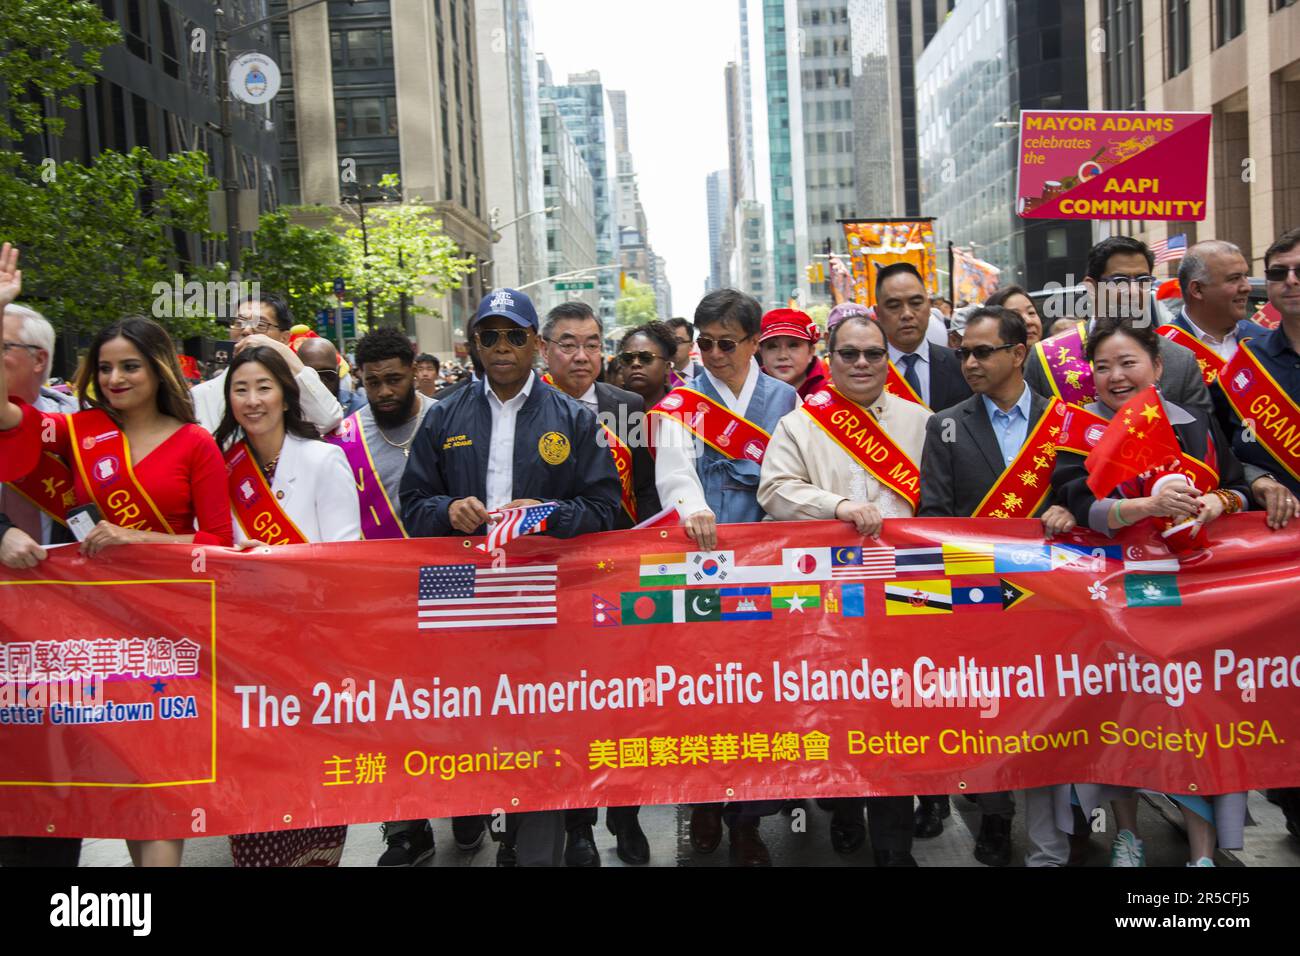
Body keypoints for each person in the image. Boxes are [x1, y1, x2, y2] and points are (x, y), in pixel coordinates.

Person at [0, 247, 233, 868]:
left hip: (175, 632)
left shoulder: (194, 444)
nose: (115, 379)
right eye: (104, 369)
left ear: (158, 370)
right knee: (124, 778)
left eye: (130, 366)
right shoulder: (79, 432)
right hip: (99, 631)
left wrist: (140, 540)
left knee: (160, 782)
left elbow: (221, 545)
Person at [400, 287, 620, 868]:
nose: (502, 347)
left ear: (535, 346)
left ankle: (536, 843)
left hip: (540, 599)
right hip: (460, 602)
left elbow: (605, 511)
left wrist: (545, 516)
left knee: (543, 726)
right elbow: (414, 503)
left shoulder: (573, 418)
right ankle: (485, 817)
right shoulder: (442, 414)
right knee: (474, 724)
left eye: (514, 336)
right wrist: (448, 512)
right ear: (475, 344)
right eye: (490, 336)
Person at [1052, 320, 1251, 867]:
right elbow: (1074, 503)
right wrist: (1142, 509)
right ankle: (1127, 835)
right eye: (1103, 366)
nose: (1115, 376)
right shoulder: (1081, 431)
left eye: (1128, 362)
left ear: (1157, 367)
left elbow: (1233, 485)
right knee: (1125, 716)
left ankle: (1203, 851)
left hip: (1193, 599)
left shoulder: (1193, 424)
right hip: (1115, 599)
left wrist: (1216, 504)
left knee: (1194, 718)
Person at [756, 312, 929, 867]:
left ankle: (893, 843)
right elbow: (776, 491)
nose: (861, 364)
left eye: (873, 354)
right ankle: (847, 809)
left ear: (887, 359)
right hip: (829, 598)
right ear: (829, 360)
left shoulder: (921, 421)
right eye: (849, 354)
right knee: (841, 711)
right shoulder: (801, 424)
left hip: (908, 594)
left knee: (901, 715)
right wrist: (838, 509)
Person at [916, 305, 1076, 866]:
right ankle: (993, 815)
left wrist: (1064, 511)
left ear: (1018, 353)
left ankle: (1051, 841)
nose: (970, 362)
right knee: (988, 717)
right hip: (982, 597)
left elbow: (1085, 493)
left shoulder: (1067, 421)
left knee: (1049, 717)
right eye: (963, 352)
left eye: (983, 352)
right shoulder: (946, 423)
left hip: (1060, 600)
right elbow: (934, 515)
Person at [649, 289, 798, 866]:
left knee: (761, 694)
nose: (713, 354)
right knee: (705, 692)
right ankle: (707, 802)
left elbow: (796, 472)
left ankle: (749, 819)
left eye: (726, 343)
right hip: (701, 567)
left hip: (769, 566)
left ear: (755, 342)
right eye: (704, 343)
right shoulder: (682, 400)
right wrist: (692, 508)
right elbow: (675, 471)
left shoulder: (786, 398)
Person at [213, 346, 359, 864]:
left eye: (264, 388)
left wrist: (274, 560)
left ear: (285, 394)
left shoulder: (324, 458)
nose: (253, 401)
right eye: (240, 389)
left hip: (313, 657)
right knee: (254, 806)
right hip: (243, 662)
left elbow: (346, 560)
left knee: (317, 799)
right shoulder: (221, 467)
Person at [318, 328, 447, 866]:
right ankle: (405, 826)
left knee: (453, 705)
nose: (384, 392)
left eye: (394, 379)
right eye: (372, 383)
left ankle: (469, 802)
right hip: (380, 595)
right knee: (395, 712)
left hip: (447, 583)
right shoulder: (342, 438)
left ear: (415, 369)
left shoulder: (448, 418)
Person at [538, 301, 660, 867]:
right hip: (559, 578)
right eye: (568, 344)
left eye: (591, 343)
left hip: (620, 577)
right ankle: (579, 824)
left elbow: (647, 489)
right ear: (546, 350)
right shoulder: (531, 408)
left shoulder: (626, 406)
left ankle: (627, 815)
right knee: (570, 708)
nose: (582, 355)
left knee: (625, 703)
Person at [0, 296, 83, 868]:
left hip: (58, 633)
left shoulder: (69, 427)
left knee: (59, 775)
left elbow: (90, 510)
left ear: (37, 359)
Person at [1235, 228, 1300, 837]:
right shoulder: (1249, 362)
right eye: (1278, 272)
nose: (1289, 281)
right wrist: (1256, 480)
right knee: (1284, 680)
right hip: (1279, 555)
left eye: (1297, 270)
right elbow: (1230, 451)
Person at [1025, 236, 1212, 420]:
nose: (1132, 291)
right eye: (1119, 281)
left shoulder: (1180, 360)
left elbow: (1202, 441)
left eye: (1142, 280)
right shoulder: (1047, 358)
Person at [1161, 241, 1270, 445]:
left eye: (1245, 276)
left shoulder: (1264, 339)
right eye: (1234, 279)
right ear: (1197, 290)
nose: (1246, 287)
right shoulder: (1160, 351)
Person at [190, 292, 344, 435]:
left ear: (284, 337)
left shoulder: (294, 391)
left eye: (260, 325)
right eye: (239, 322)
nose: (246, 331)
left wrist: (283, 351)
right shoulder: (200, 396)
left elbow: (328, 419)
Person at [873, 262, 973, 412]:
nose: (907, 314)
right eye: (894, 305)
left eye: (915, 303)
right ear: (878, 312)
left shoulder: (961, 365)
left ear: (929, 306)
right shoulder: (865, 372)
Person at [758, 307, 828, 399]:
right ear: (761, 352)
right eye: (772, 346)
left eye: (793, 345)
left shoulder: (831, 395)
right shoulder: (744, 393)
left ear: (811, 352)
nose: (782, 356)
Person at [617, 320, 677, 413]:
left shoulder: (686, 411)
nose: (635, 363)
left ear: (667, 368)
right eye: (627, 358)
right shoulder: (608, 413)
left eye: (645, 357)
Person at [297, 336, 367, 417]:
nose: (320, 382)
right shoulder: (288, 411)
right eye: (311, 375)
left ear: (338, 372)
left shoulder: (359, 408)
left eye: (327, 375)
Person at [666, 316, 705, 386]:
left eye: (678, 341)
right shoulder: (661, 376)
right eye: (669, 341)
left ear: (691, 346)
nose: (673, 346)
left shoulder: (706, 376)